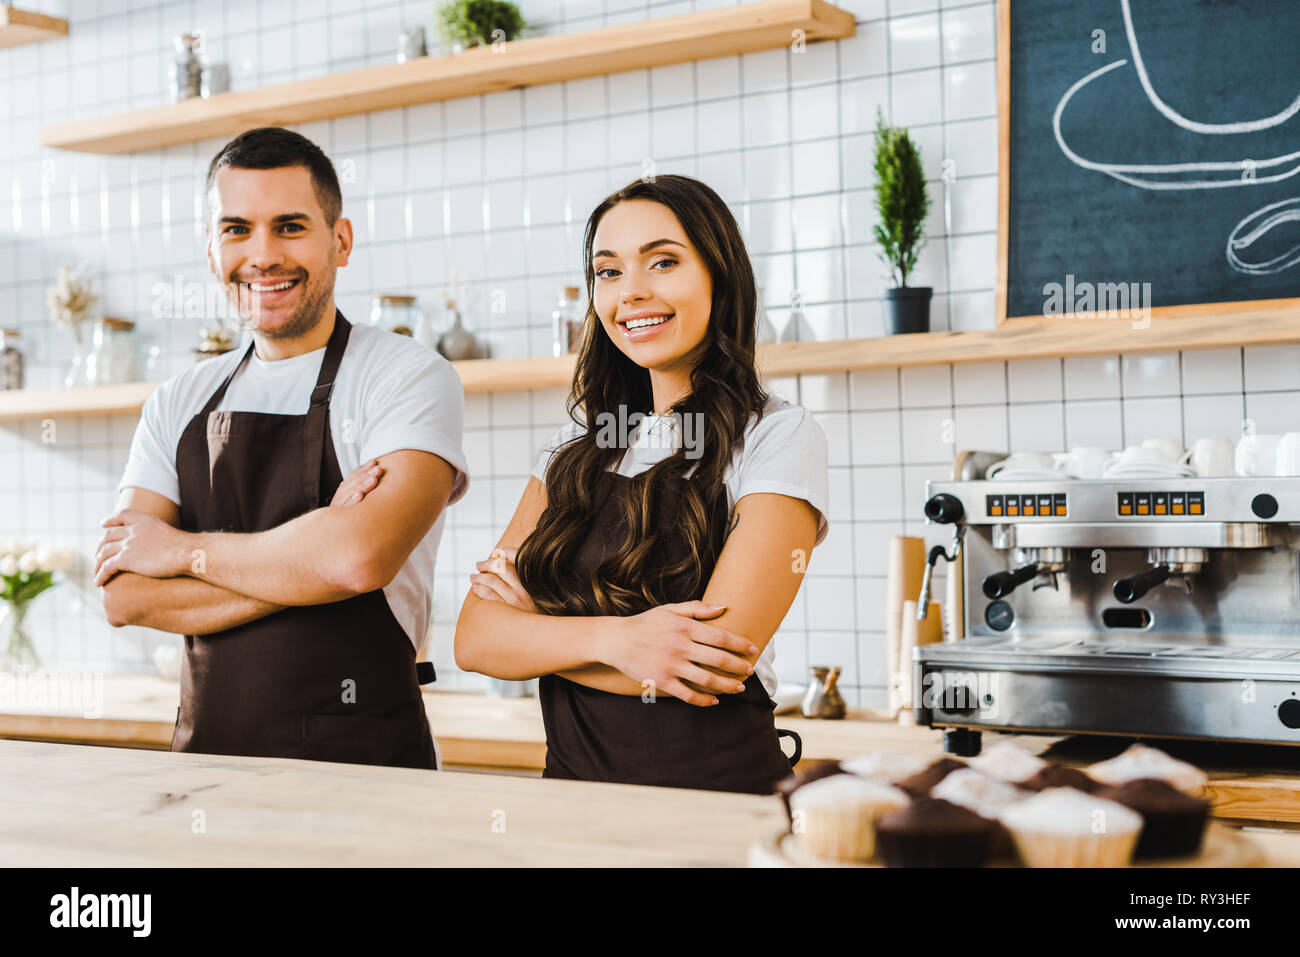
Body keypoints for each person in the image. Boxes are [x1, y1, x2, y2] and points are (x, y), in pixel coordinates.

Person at [94, 127, 468, 770]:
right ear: (211, 250)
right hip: (206, 771)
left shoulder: (407, 377)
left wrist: (182, 552)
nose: (262, 255)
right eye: (236, 229)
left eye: (290, 226)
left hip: (367, 778)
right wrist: (312, 553)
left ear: (340, 241)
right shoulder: (177, 401)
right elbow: (127, 595)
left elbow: (358, 560)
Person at [455, 174, 829, 794]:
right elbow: (474, 639)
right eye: (609, 272)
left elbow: (710, 661)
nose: (632, 293)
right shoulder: (574, 449)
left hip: (714, 808)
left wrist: (539, 630)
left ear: (720, 275)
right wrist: (621, 640)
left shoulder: (777, 436)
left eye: (662, 262)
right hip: (571, 805)